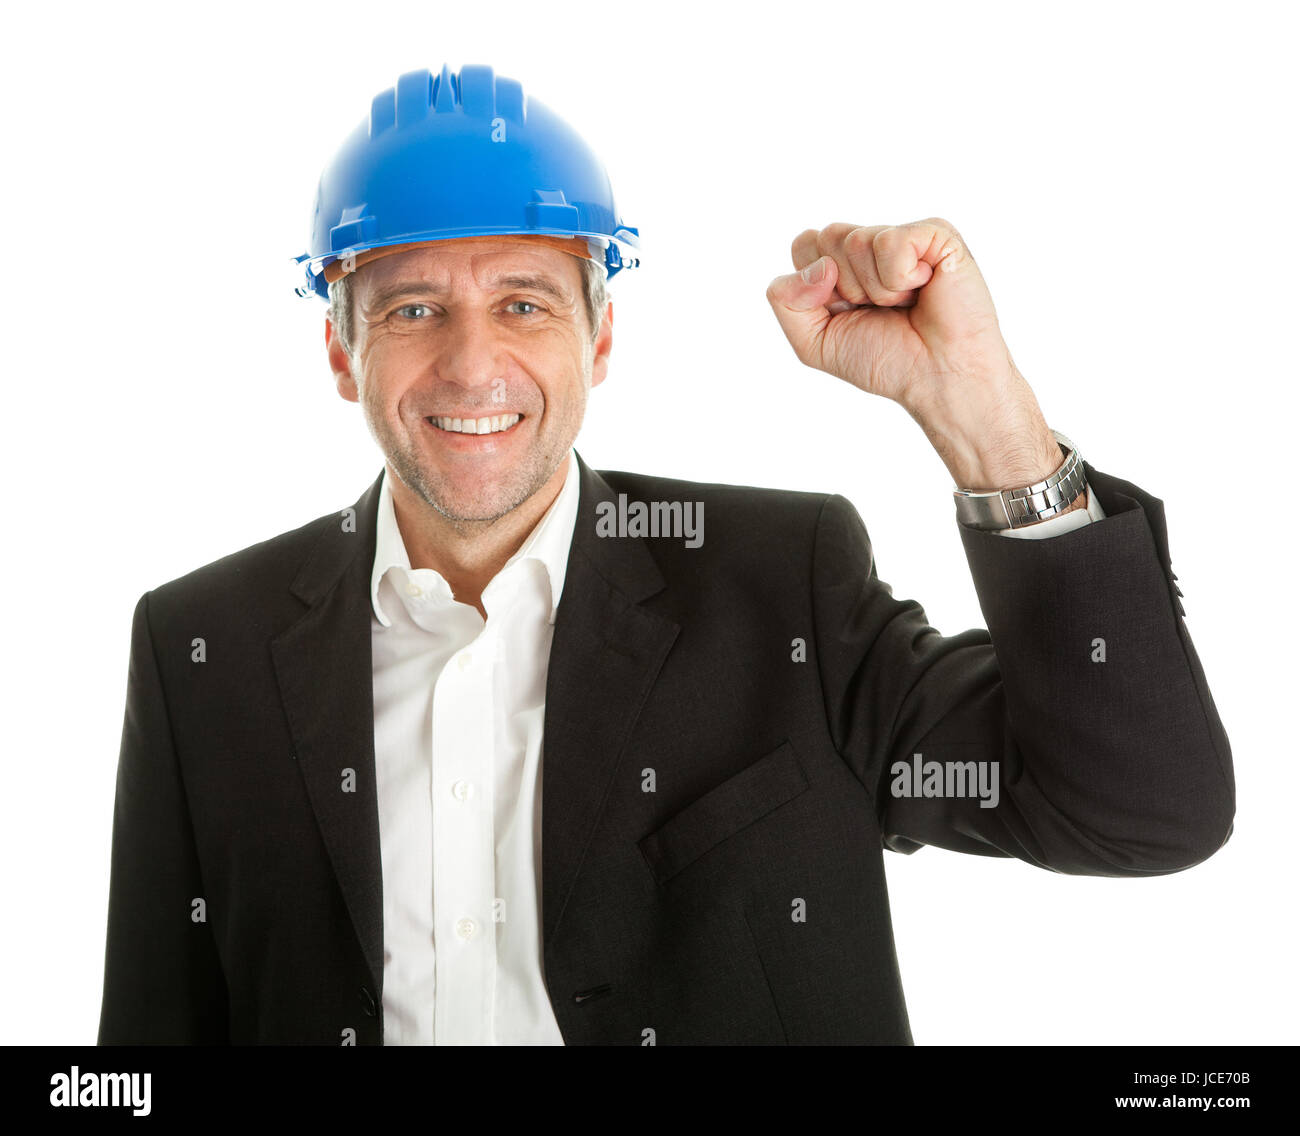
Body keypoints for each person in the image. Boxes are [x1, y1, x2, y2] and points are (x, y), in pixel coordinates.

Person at [97, 63, 1234, 1046]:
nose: (471, 362)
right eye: (408, 312)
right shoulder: (206, 645)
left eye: (526, 301)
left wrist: (987, 421)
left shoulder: (780, 579)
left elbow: (1138, 809)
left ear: (600, 333)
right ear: (340, 352)